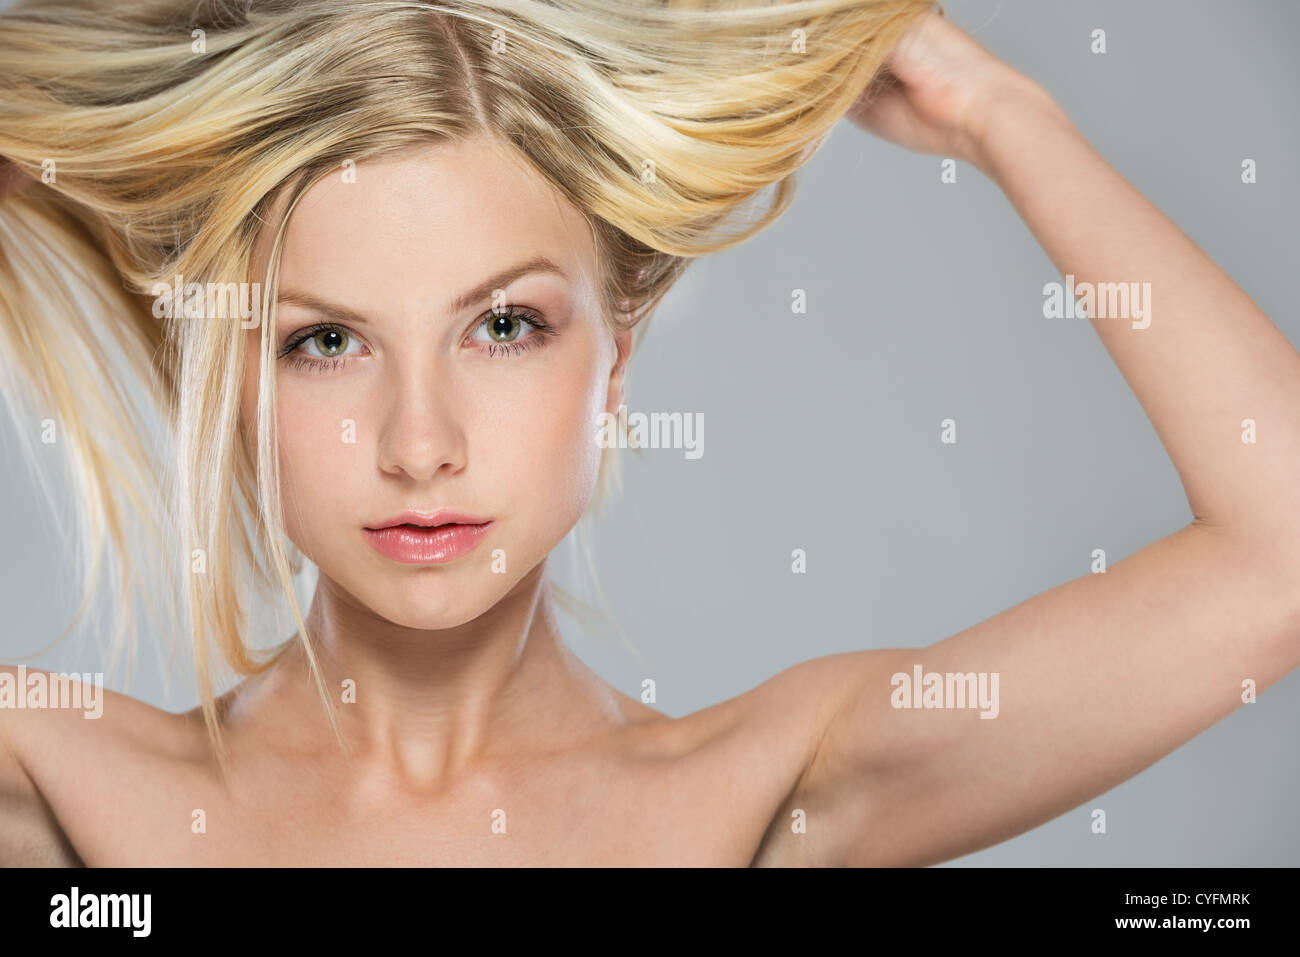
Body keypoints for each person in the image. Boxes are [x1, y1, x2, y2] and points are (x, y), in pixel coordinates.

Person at [1, 0, 1297, 866]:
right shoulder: (60, 785)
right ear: (232, 381)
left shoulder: (762, 791)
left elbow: (1280, 555)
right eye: (324, 341)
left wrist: (1001, 118)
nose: (418, 442)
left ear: (616, 359)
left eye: (503, 327)